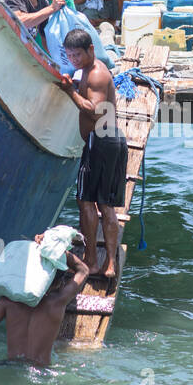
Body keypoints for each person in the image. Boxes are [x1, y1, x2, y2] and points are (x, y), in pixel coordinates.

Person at [60, 27, 126, 280]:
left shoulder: (97, 73)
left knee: (87, 201)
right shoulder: (87, 72)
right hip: (110, 140)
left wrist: (70, 92)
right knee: (106, 204)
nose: (74, 60)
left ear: (91, 49)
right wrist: (76, 83)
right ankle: (110, 264)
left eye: (77, 55)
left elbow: (95, 110)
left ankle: (91, 261)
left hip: (100, 141)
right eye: (69, 56)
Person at [0, 241, 90, 367]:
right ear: (57, 282)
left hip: (9, 366)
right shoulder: (57, 302)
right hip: (39, 369)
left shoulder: (8, 302)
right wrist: (56, 249)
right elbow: (83, 270)